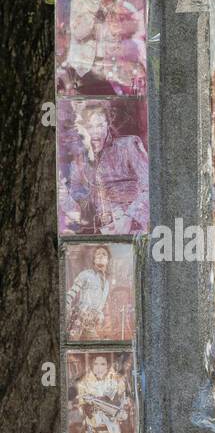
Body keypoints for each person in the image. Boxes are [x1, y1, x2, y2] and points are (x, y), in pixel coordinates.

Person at [60, 99, 149, 235]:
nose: (96, 132)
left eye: (100, 125)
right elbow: (75, 203)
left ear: (108, 124)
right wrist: (63, 195)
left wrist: (129, 217)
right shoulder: (79, 161)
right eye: (90, 126)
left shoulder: (128, 145)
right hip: (99, 232)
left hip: (134, 229)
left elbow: (151, 187)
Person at [74, 352, 131, 433]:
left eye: (102, 364)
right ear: (92, 364)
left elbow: (123, 408)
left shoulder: (117, 381)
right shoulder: (83, 382)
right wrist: (85, 409)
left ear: (108, 365)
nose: (98, 367)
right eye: (96, 364)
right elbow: (81, 408)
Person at [66, 245, 115, 340]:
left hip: (91, 323)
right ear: (94, 259)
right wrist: (65, 309)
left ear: (108, 260)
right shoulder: (85, 274)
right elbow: (71, 293)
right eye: (98, 254)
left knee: (95, 345)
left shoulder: (107, 283)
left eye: (104, 254)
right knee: (72, 343)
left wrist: (100, 315)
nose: (100, 256)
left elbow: (102, 305)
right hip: (79, 319)